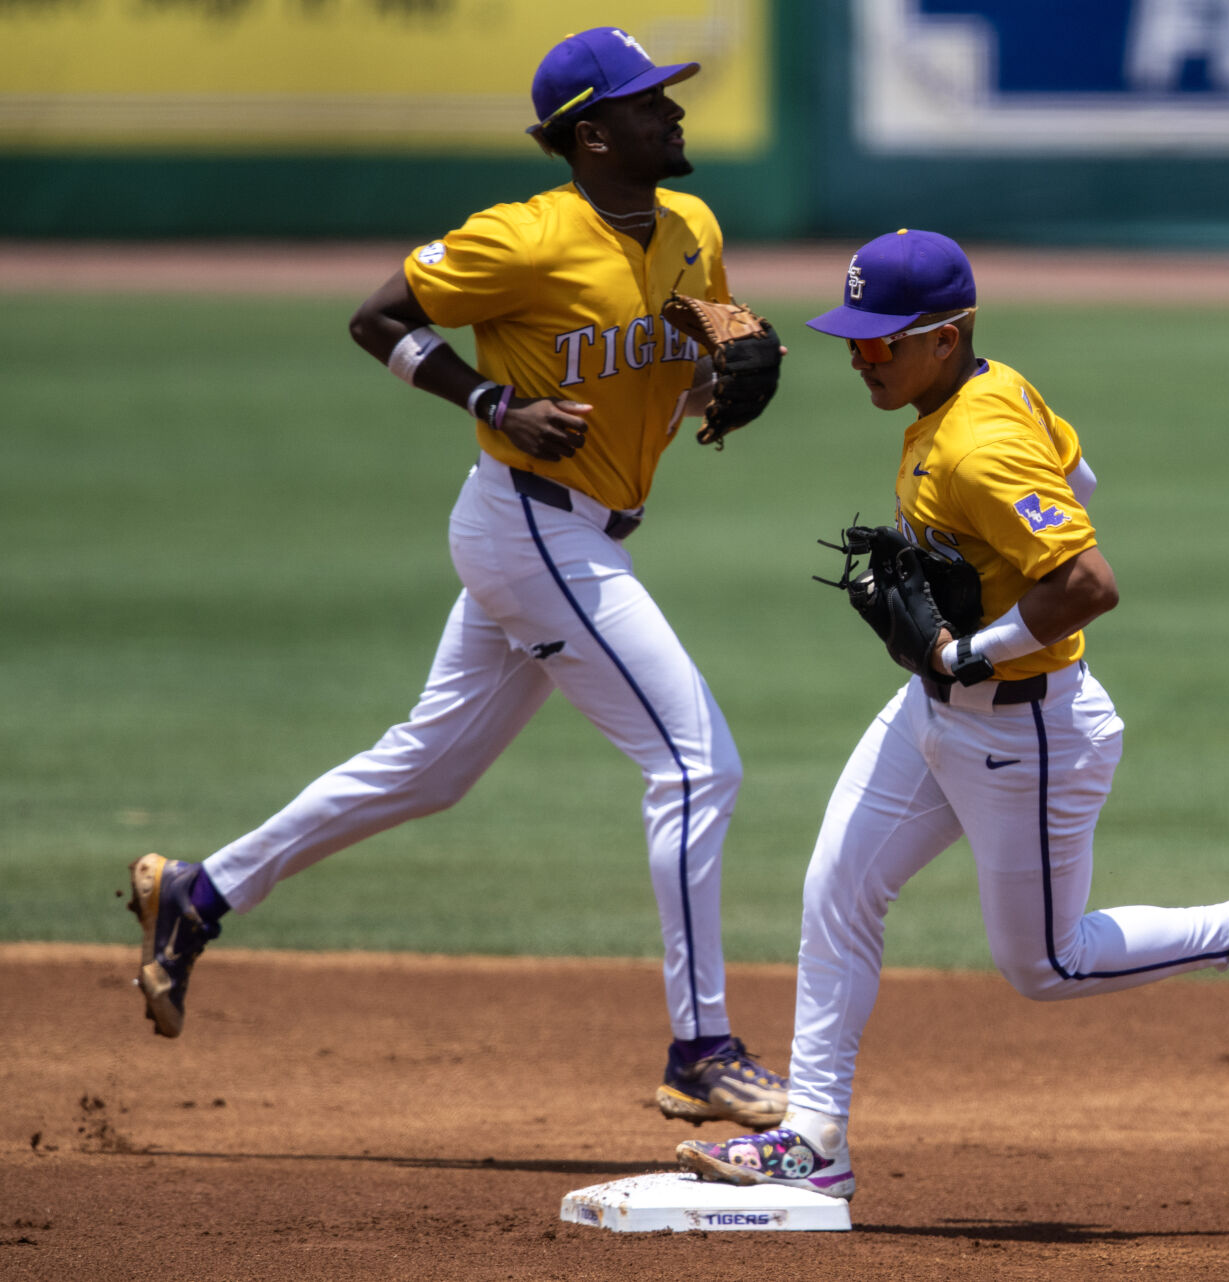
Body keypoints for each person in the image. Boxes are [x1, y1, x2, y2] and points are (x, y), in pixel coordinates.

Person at [127, 25, 788, 1131]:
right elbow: (374, 317)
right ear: (589, 135)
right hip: (528, 525)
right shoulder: (520, 240)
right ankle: (700, 1049)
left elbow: (701, 316)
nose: (674, 113)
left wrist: (739, 350)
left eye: (669, 96)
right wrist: (489, 400)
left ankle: (198, 893)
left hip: (582, 533)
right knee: (693, 764)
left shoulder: (691, 226)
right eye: (649, 103)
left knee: (427, 769)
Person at [676, 229, 1229, 1200]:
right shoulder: (983, 390)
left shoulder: (978, 441)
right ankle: (812, 1142)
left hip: (1023, 733)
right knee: (837, 888)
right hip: (937, 715)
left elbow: (1088, 580)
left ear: (945, 338)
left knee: (1046, 965)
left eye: (883, 341)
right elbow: (1074, 475)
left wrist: (964, 647)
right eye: (855, 338)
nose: (861, 355)